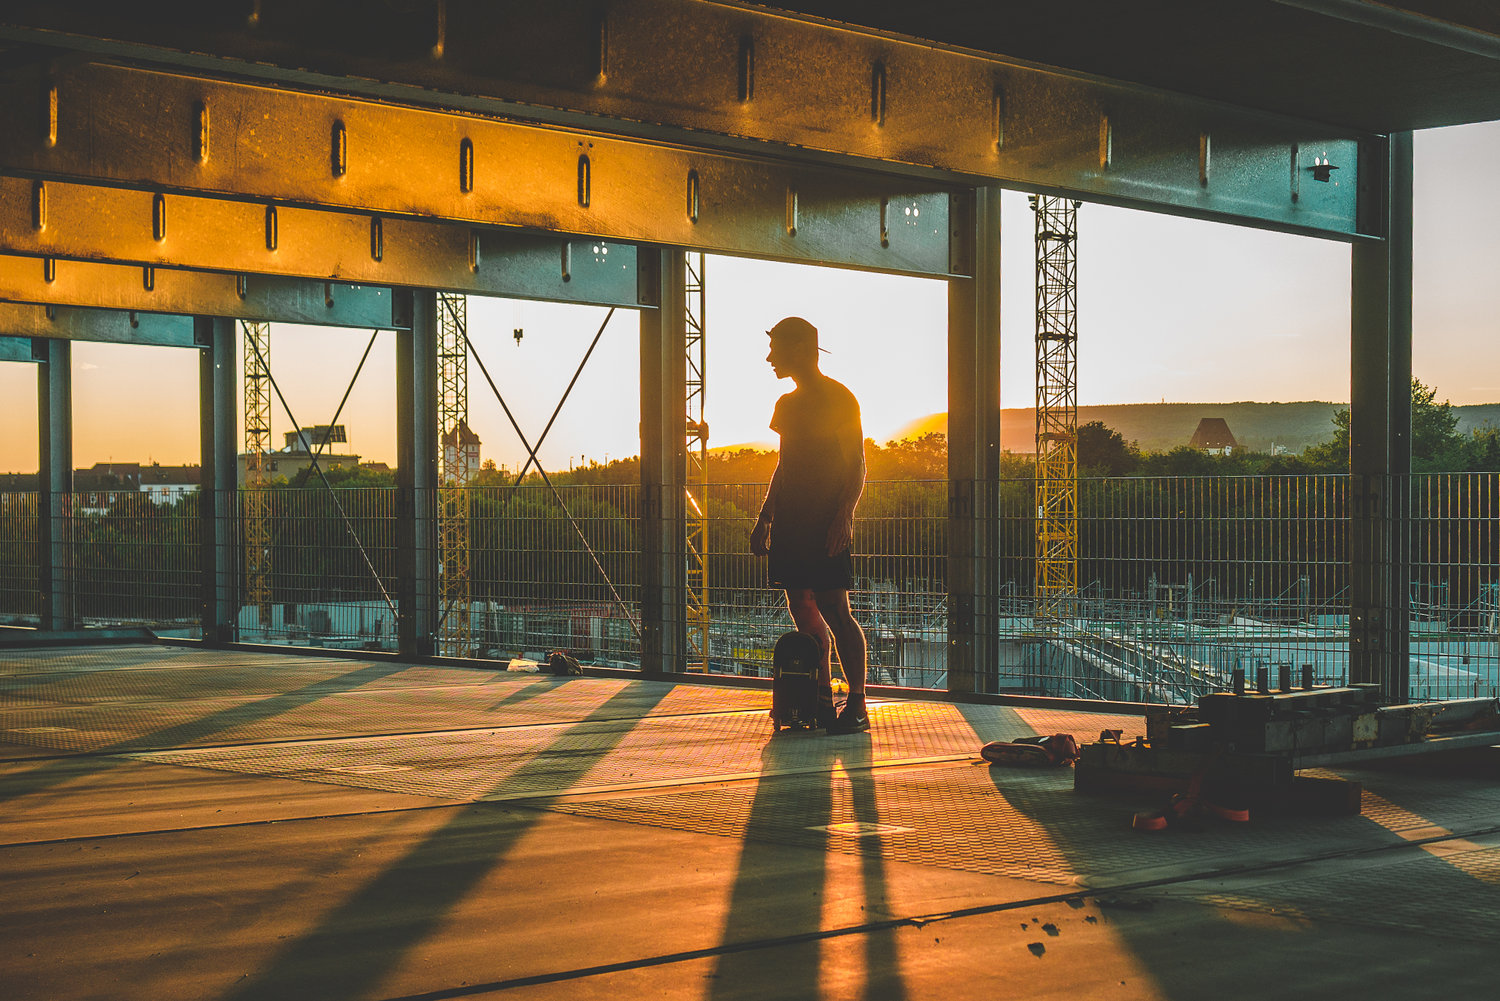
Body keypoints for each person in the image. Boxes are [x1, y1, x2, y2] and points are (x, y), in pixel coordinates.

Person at [750, 317, 870, 734]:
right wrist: (765, 516)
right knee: (801, 605)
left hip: (825, 520)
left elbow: (856, 461)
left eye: (776, 348)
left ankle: (856, 704)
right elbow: (783, 465)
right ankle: (820, 697)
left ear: (801, 348)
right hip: (791, 520)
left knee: (836, 609)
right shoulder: (787, 405)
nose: (770, 357)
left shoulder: (839, 398)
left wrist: (844, 514)